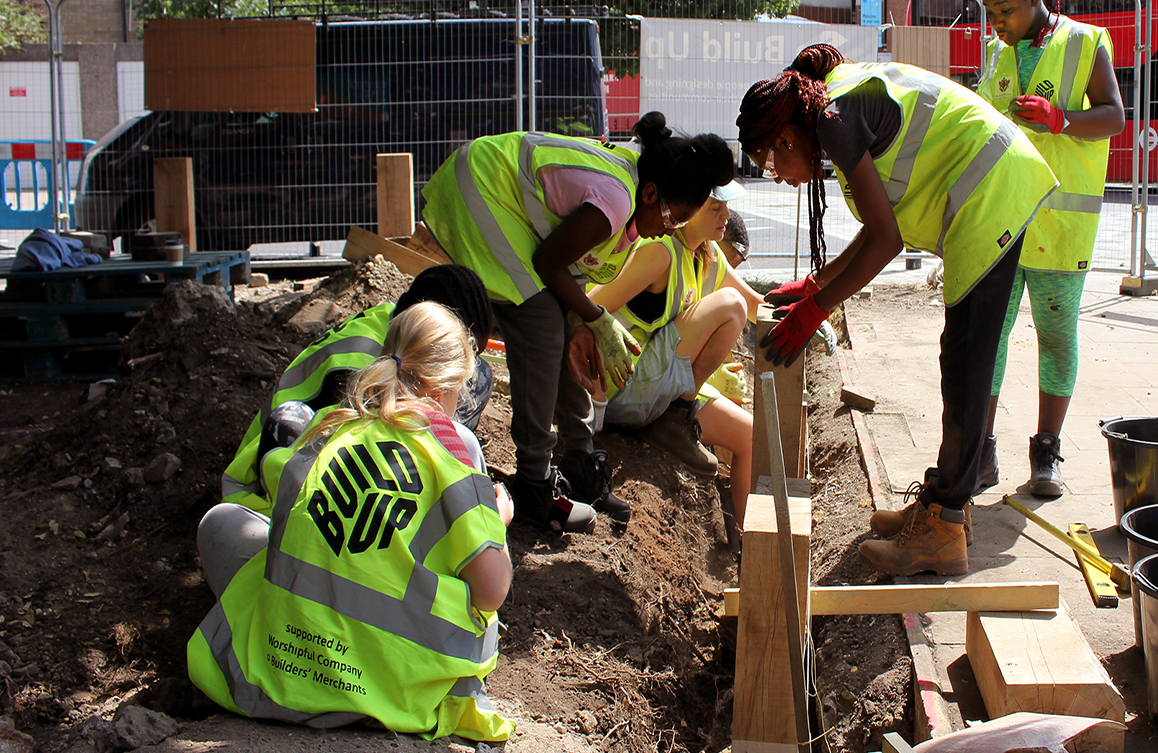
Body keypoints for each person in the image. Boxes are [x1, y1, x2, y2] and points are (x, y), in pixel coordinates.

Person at [737, 44, 1057, 576]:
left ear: (787, 137)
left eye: (771, 162)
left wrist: (817, 309)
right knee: (959, 359)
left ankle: (945, 527)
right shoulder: (835, 109)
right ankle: (941, 503)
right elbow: (878, 226)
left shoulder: (834, 120)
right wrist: (817, 283)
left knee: (966, 364)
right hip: (990, 186)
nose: (779, 176)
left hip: (993, 190)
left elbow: (887, 242)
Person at [188, 301, 516, 743]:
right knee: (476, 601)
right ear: (444, 390)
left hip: (288, 663)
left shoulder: (328, 426)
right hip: (394, 680)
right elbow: (492, 591)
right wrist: (497, 523)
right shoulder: (455, 455)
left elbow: (283, 512)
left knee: (223, 524)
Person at [417, 113, 735, 533]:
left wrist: (585, 323)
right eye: (672, 219)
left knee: (568, 326)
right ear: (651, 193)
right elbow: (548, 262)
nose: (668, 230)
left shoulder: (634, 200)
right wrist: (597, 318)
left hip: (507, 205)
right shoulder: (617, 200)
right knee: (541, 323)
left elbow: (573, 274)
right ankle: (534, 480)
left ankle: (580, 462)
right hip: (479, 187)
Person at [976, 0, 1125, 498]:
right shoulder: (998, 54)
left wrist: (1062, 119)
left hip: (1061, 229)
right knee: (990, 337)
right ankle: (980, 451)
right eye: (990, 12)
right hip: (1002, 225)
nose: (998, 22)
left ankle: (1046, 451)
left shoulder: (1085, 43)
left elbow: (1114, 116)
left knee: (1056, 338)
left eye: (1006, 10)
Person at [222, 264, 496, 514]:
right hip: (279, 472)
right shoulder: (360, 370)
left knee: (480, 375)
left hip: (328, 446)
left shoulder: (394, 326)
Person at [575, 182, 763, 526]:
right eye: (715, 207)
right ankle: (677, 419)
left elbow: (757, 306)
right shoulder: (660, 253)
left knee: (750, 436)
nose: (726, 215)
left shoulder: (707, 255)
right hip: (623, 388)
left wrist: (808, 311)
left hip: (656, 390)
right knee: (730, 304)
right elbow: (586, 309)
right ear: (689, 208)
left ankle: (747, 547)